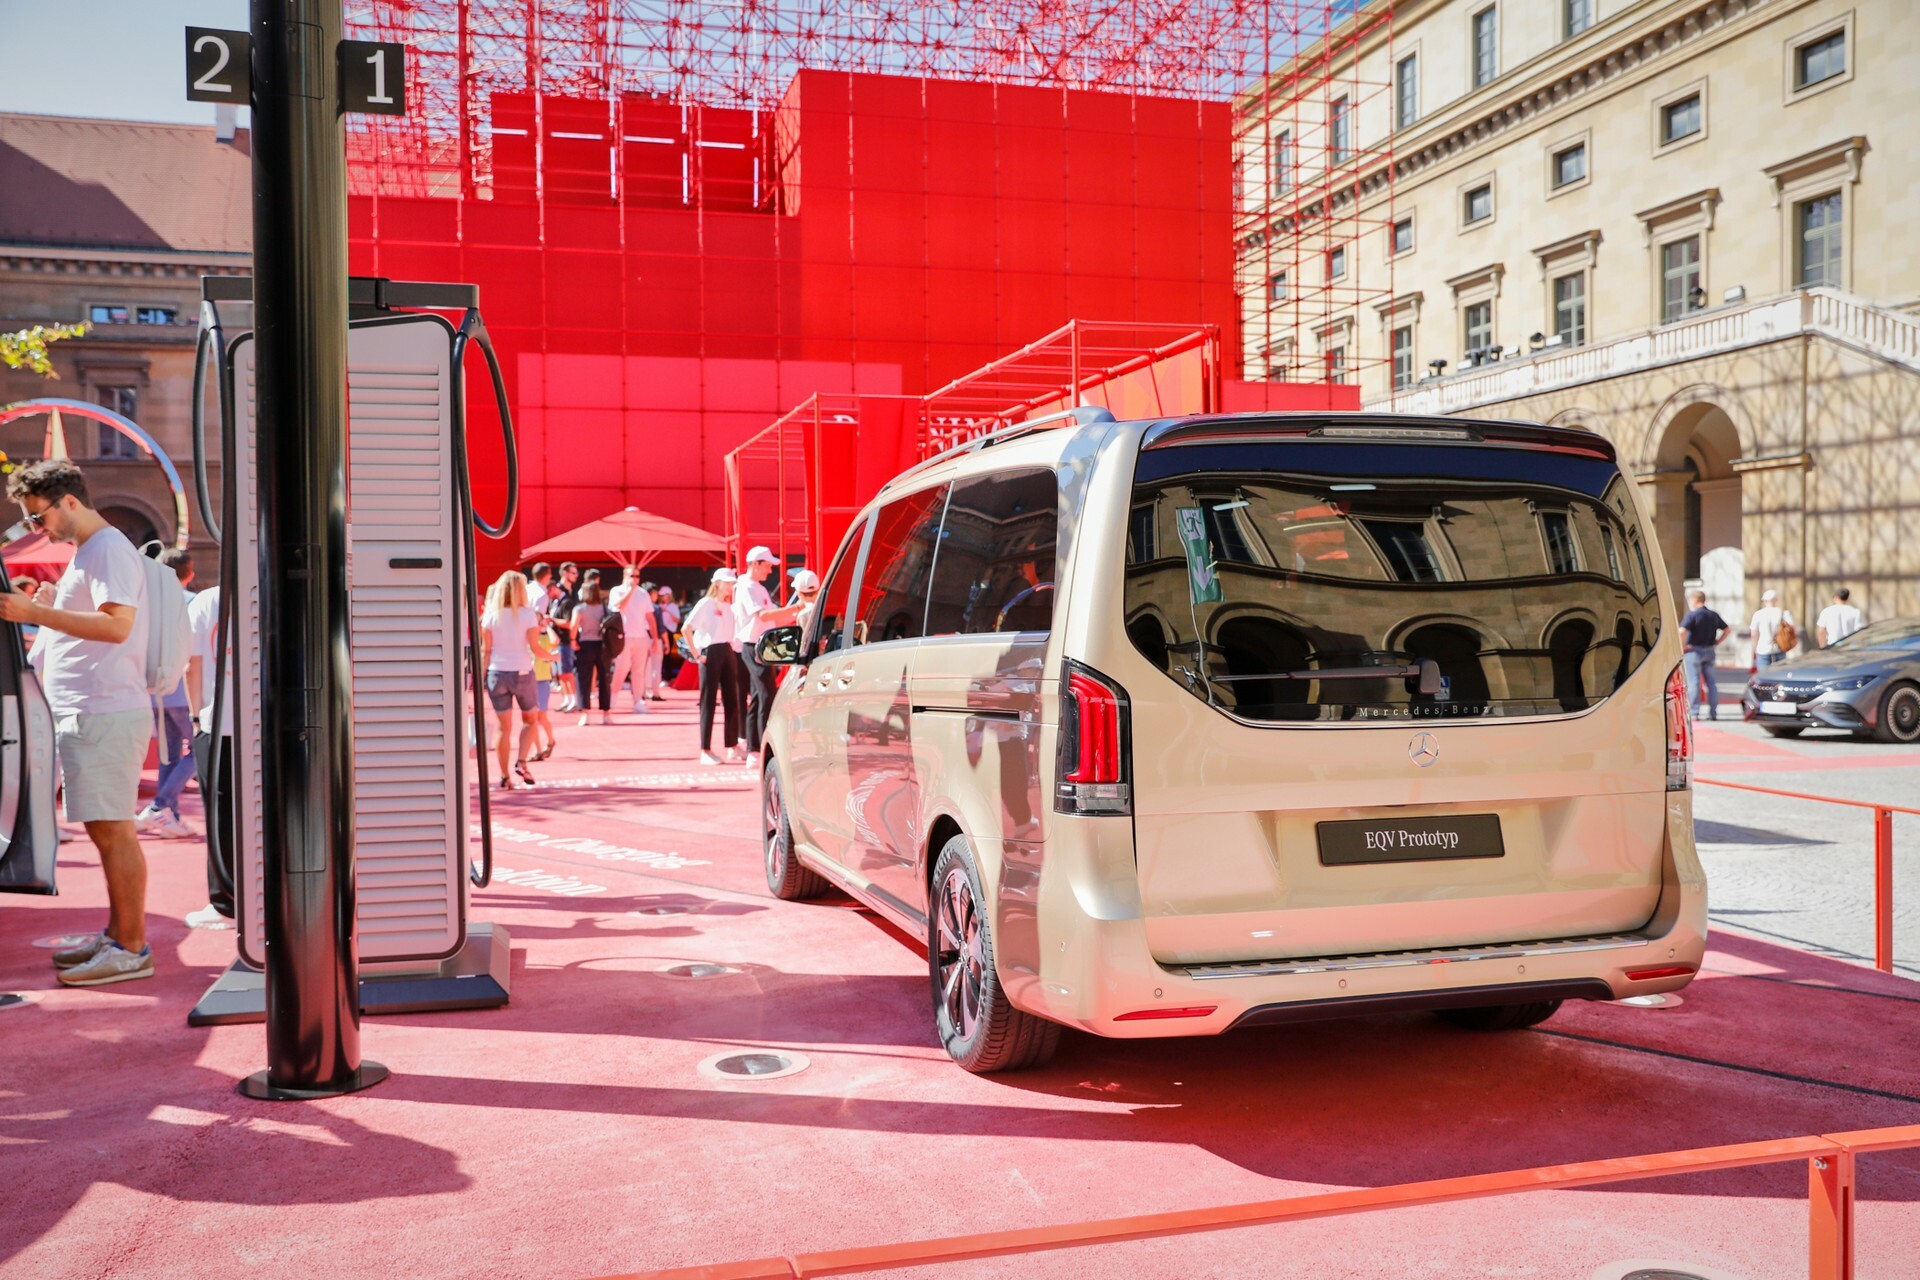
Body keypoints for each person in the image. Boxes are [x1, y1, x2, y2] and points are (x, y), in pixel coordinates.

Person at [0, 460, 155, 986]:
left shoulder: (107, 548)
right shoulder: (92, 551)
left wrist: (34, 613)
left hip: (104, 709)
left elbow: (116, 627)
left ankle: (131, 948)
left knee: (114, 832)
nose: (37, 530)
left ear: (69, 501)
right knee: (105, 829)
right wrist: (49, 604)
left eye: (38, 518)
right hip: (92, 708)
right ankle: (119, 936)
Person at [184, 583, 235, 928]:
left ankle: (226, 904)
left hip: (220, 722)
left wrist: (195, 716)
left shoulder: (208, 600)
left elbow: (192, 664)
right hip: (275, 725)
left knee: (222, 816)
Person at [137, 548, 197, 838]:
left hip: (155, 689)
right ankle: (161, 806)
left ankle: (167, 813)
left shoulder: (146, 603)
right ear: (189, 574)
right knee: (200, 750)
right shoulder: (191, 602)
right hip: (183, 690)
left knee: (169, 755)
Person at [480, 570, 541, 787]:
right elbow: (535, 647)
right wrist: (551, 656)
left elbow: (485, 650)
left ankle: (504, 775)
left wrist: (480, 676)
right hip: (522, 670)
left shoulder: (490, 614)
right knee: (530, 719)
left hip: (497, 672)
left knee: (502, 727)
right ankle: (521, 761)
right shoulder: (527, 614)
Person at [684, 569, 745, 764]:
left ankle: (732, 745)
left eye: (731, 583)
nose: (730, 586)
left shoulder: (729, 607)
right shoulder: (706, 603)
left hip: (727, 651)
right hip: (710, 652)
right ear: (717, 583)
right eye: (727, 582)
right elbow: (686, 628)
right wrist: (696, 654)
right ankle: (705, 750)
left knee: (732, 700)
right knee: (708, 701)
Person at [734, 546, 781, 753]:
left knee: (759, 696)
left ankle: (755, 747)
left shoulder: (757, 587)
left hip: (762, 644)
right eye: (768, 566)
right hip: (754, 646)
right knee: (766, 695)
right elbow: (762, 616)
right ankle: (763, 746)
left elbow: (770, 616)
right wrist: (799, 608)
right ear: (756, 564)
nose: (770, 571)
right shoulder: (747, 586)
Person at [607, 564, 654, 713]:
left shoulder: (643, 594)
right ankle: (613, 695)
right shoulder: (616, 591)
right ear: (624, 577)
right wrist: (630, 591)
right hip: (623, 636)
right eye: (631, 576)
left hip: (641, 636)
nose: (635, 579)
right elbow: (618, 606)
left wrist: (655, 637)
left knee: (639, 671)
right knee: (621, 668)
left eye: (637, 576)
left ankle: (637, 701)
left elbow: (650, 616)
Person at [1678, 590, 1729, 722]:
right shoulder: (1713, 615)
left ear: (1695, 600)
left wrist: (1682, 646)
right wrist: (1717, 642)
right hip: (1709, 650)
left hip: (1694, 651)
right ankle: (1713, 713)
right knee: (1711, 683)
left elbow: (1682, 631)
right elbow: (1727, 630)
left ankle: (1695, 713)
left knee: (1694, 683)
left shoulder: (1692, 615)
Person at [571, 575, 613, 726]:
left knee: (583, 679)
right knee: (604, 679)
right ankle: (606, 713)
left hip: (585, 644)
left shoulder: (580, 608)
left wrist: (572, 640)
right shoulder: (603, 608)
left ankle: (585, 712)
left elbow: (574, 626)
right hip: (601, 646)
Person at [527, 616, 560, 760]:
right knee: (530, 718)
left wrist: (546, 626)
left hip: (542, 681)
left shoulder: (544, 639)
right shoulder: (526, 639)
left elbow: (555, 641)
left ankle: (551, 740)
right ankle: (537, 750)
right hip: (527, 680)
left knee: (541, 717)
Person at [551, 561, 581, 711]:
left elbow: (572, 620)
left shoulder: (573, 593)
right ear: (565, 573)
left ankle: (572, 699)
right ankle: (566, 699)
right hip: (557, 638)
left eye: (576, 573)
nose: (576, 576)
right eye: (573, 573)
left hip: (568, 637)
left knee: (567, 670)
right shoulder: (556, 591)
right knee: (560, 672)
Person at [1749, 590, 1795, 669]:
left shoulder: (1758, 614)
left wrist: (1755, 648)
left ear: (1764, 601)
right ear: (1776, 600)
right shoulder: (1783, 613)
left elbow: (1754, 634)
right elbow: (1793, 628)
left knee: (1764, 676)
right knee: (1779, 675)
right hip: (1780, 647)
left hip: (1763, 649)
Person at [638, 581, 666, 701]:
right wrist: (666, 643)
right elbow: (661, 627)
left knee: (641, 667)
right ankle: (655, 692)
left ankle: (642, 692)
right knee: (655, 667)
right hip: (654, 639)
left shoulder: (639, 606)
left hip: (641, 639)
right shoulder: (655, 608)